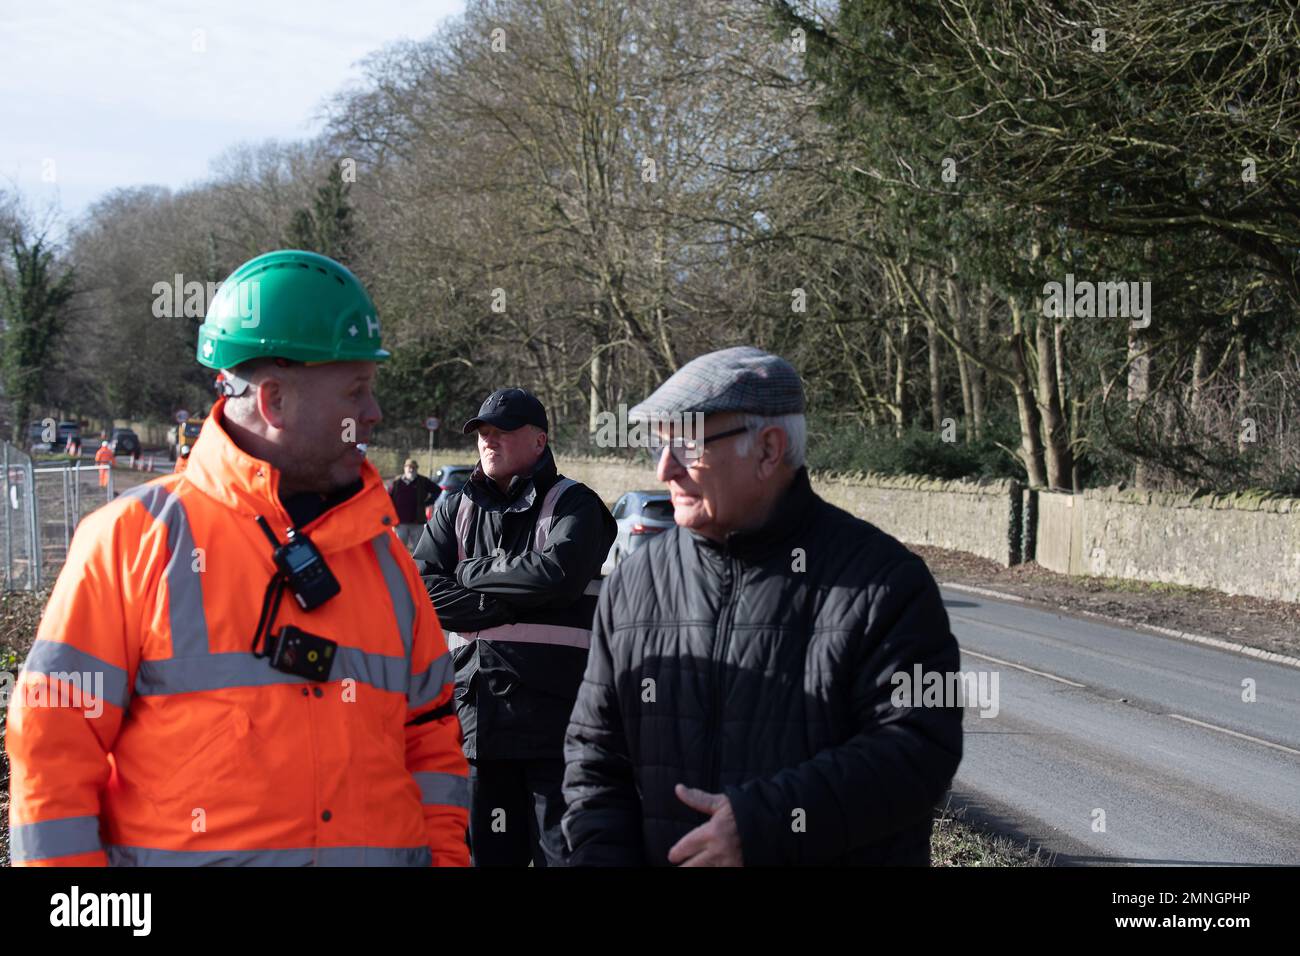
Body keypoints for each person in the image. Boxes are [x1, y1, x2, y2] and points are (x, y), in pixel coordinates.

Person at [6, 250, 470, 867]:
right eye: (357, 390)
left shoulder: (388, 559)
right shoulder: (129, 542)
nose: (374, 413)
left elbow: (433, 744)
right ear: (275, 401)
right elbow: (52, 752)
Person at [562, 346, 963, 866]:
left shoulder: (885, 583)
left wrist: (765, 825)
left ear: (769, 450)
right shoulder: (635, 582)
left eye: (686, 445)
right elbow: (593, 758)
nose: (665, 470)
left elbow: (919, 750)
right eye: (658, 446)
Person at [414, 387, 616, 867]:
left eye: (502, 432)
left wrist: (466, 573)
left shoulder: (577, 505)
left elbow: (556, 576)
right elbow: (422, 589)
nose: (488, 441)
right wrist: (506, 602)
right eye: (483, 433)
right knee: (489, 854)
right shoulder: (457, 505)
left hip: (557, 721)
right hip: (478, 717)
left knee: (562, 854)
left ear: (540, 440)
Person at [389, 458, 436, 550]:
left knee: (418, 550)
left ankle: (417, 565)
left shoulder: (423, 481)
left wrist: (428, 502)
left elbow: (437, 490)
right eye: (409, 467)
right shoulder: (396, 482)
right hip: (400, 522)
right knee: (399, 550)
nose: (411, 469)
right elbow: (388, 498)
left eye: (413, 468)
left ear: (416, 469)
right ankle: (401, 564)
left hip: (417, 522)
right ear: (404, 468)